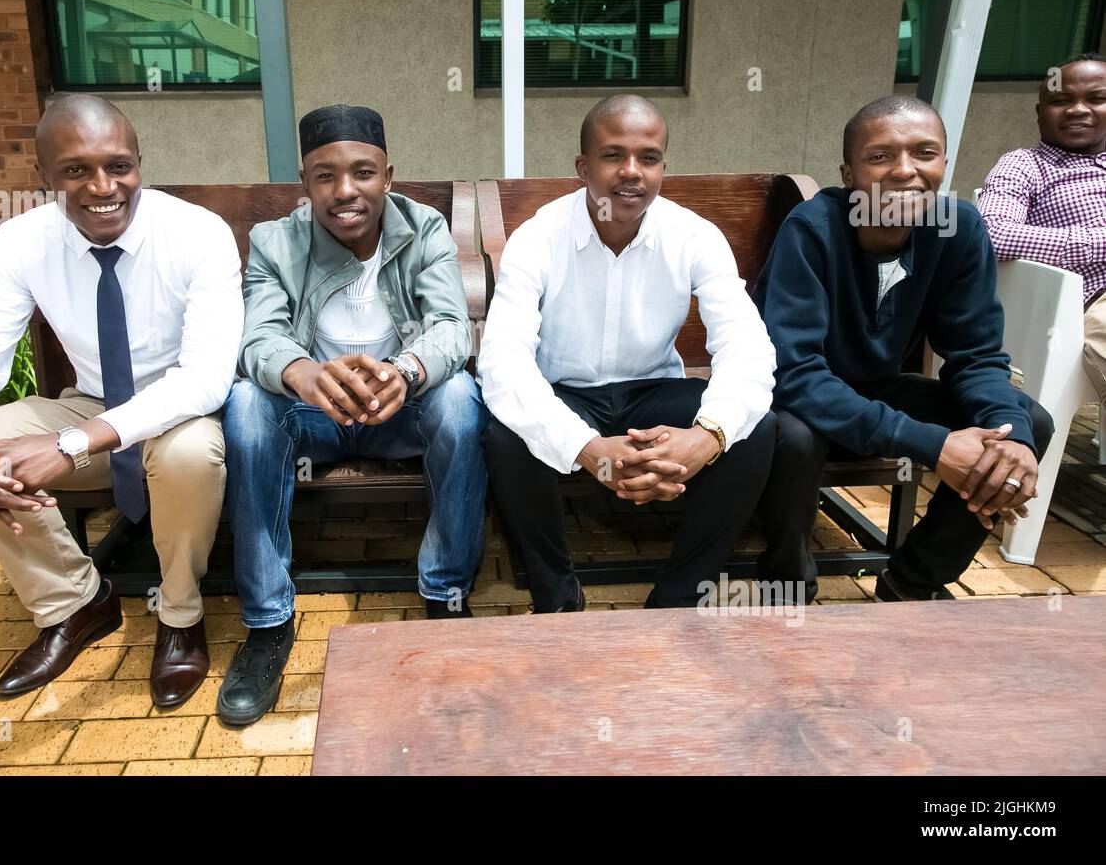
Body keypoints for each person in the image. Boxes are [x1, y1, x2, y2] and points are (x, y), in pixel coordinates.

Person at [0, 93, 242, 707]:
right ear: (45, 176)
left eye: (118, 166)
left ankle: (179, 616)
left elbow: (205, 379)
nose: (103, 186)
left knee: (187, 455)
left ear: (140, 164)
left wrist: (69, 446)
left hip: (181, 411)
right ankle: (75, 603)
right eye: (76, 171)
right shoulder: (21, 242)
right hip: (90, 404)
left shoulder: (196, 233)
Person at [217, 104, 486, 726]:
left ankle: (445, 593)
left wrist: (408, 371)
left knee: (460, 401)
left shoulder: (425, 230)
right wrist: (304, 375)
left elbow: (450, 326)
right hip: (313, 419)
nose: (345, 191)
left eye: (362, 173)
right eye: (325, 175)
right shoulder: (273, 241)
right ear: (305, 181)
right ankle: (266, 624)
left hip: (400, 412)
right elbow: (257, 338)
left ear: (388, 176)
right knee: (248, 405)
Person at [479, 94, 778, 614]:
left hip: (652, 393)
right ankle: (556, 596)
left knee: (756, 428)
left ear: (664, 166)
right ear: (583, 166)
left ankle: (680, 595)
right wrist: (590, 451)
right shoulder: (538, 238)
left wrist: (704, 438)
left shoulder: (694, 236)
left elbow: (747, 348)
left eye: (650, 157)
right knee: (504, 431)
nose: (632, 172)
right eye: (613, 155)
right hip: (566, 393)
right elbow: (503, 362)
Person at [754, 95, 1055, 603]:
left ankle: (912, 584)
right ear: (848, 174)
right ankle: (787, 585)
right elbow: (795, 374)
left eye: (924, 153)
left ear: (944, 163)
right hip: (797, 402)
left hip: (878, 392)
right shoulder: (812, 230)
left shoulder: (957, 228)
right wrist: (935, 445)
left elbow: (975, 356)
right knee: (790, 435)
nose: (905, 171)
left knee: (1027, 421)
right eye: (880, 157)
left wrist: (1013, 442)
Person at [978, 52, 1106, 405]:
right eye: (1061, 100)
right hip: (1082, 305)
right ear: (1039, 113)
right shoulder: (1024, 165)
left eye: (1096, 98)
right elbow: (992, 233)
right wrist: (1099, 243)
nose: (1078, 109)